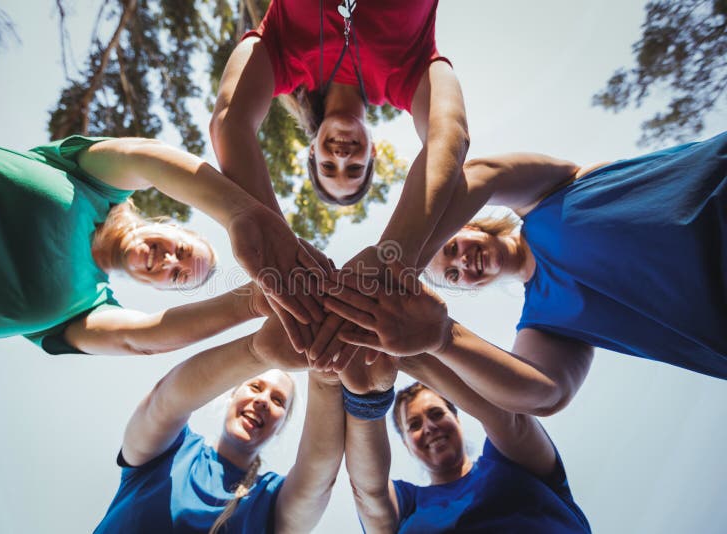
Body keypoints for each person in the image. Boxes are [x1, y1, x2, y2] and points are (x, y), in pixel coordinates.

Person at [324, 132, 727, 417]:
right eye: (453, 275)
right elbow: (544, 395)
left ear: (469, 227)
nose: (463, 262)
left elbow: (480, 175)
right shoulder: (547, 322)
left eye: (450, 247)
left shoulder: (549, 193)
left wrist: (398, 259)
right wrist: (444, 337)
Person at [210, 0, 470, 351]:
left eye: (329, 166)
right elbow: (451, 136)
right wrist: (393, 255)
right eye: (356, 167)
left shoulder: (280, 53)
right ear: (374, 151)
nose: (342, 157)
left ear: (312, 150)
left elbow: (229, 120)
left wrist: (269, 227)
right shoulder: (411, 73)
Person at [0, 127, 326, 354]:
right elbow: (144, 157)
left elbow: (142, 338)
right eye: (182, 251)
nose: (169, 261)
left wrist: (255, 301)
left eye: (176, 276)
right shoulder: (93, 185)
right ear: (171, 224)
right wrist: (240, 212)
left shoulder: (84, 311)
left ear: (156, 286)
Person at [94, 315, 344, 533]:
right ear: (231, 395)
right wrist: (258, 351)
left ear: (282, 426)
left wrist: (326, 372)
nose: (262, 401)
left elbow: (319, 476)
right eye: (255, 387)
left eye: (278, 400)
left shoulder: (270, 501)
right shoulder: (171, 451)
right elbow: (165, 402)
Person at [339, 347, 590, 533]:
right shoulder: (408, 504)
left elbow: (508, 419)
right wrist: (367, 397)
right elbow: (369, 492)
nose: (429, 427)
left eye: (437, 413)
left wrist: (404, 352)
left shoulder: (507, 463)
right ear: (406, 443)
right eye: (414, 425)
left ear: (457, 418)